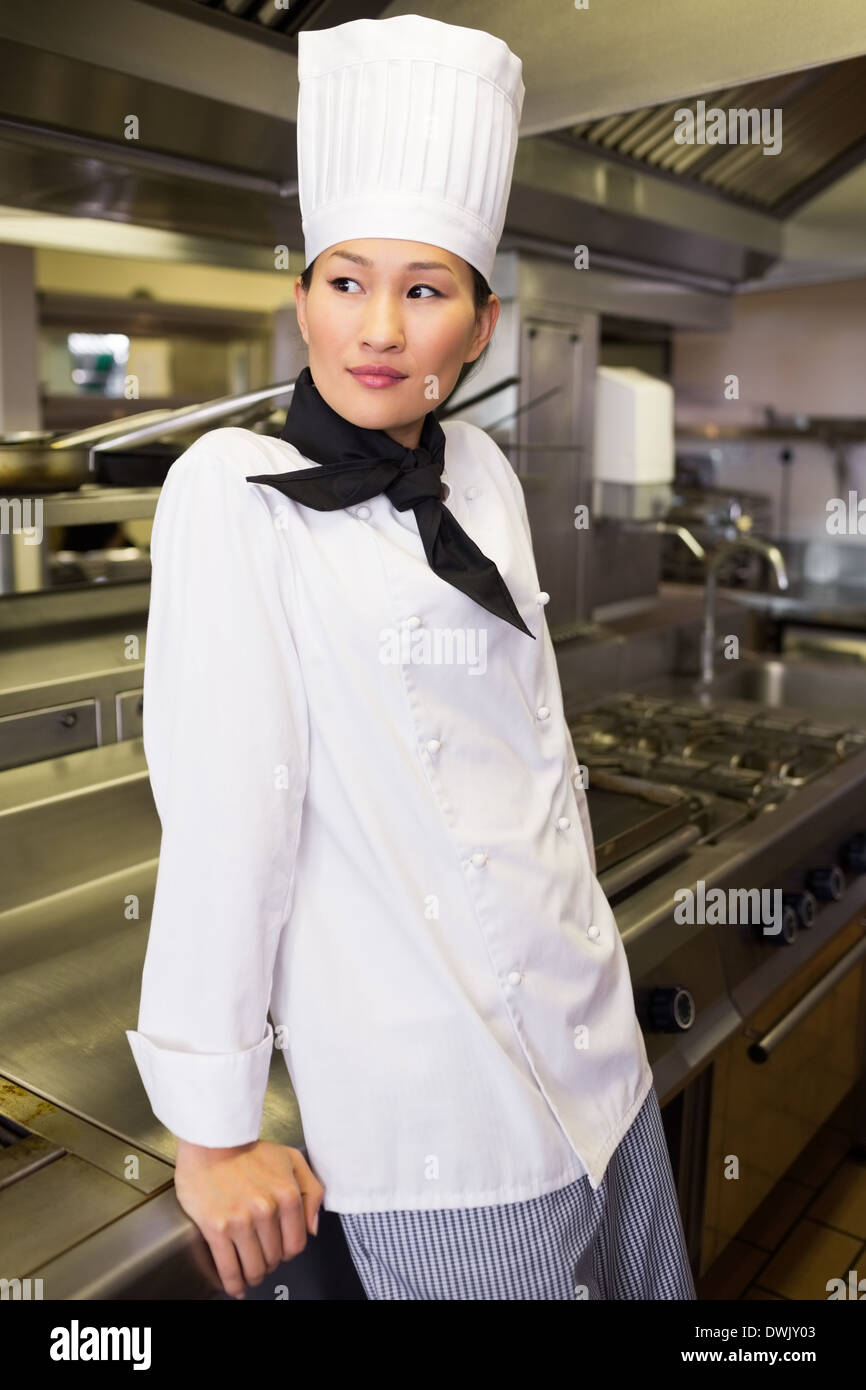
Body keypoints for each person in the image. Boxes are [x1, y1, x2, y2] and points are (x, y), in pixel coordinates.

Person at [127, 13, 696, 1302]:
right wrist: (211, 1129)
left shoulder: (484, 470)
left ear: (481, 323)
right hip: (439, 1119)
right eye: (346, 280)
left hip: (600, 1059)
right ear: (303, 294)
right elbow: (228, 817)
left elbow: (537, 754)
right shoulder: (231, 491)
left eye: (425, 289)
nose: (379, 326)